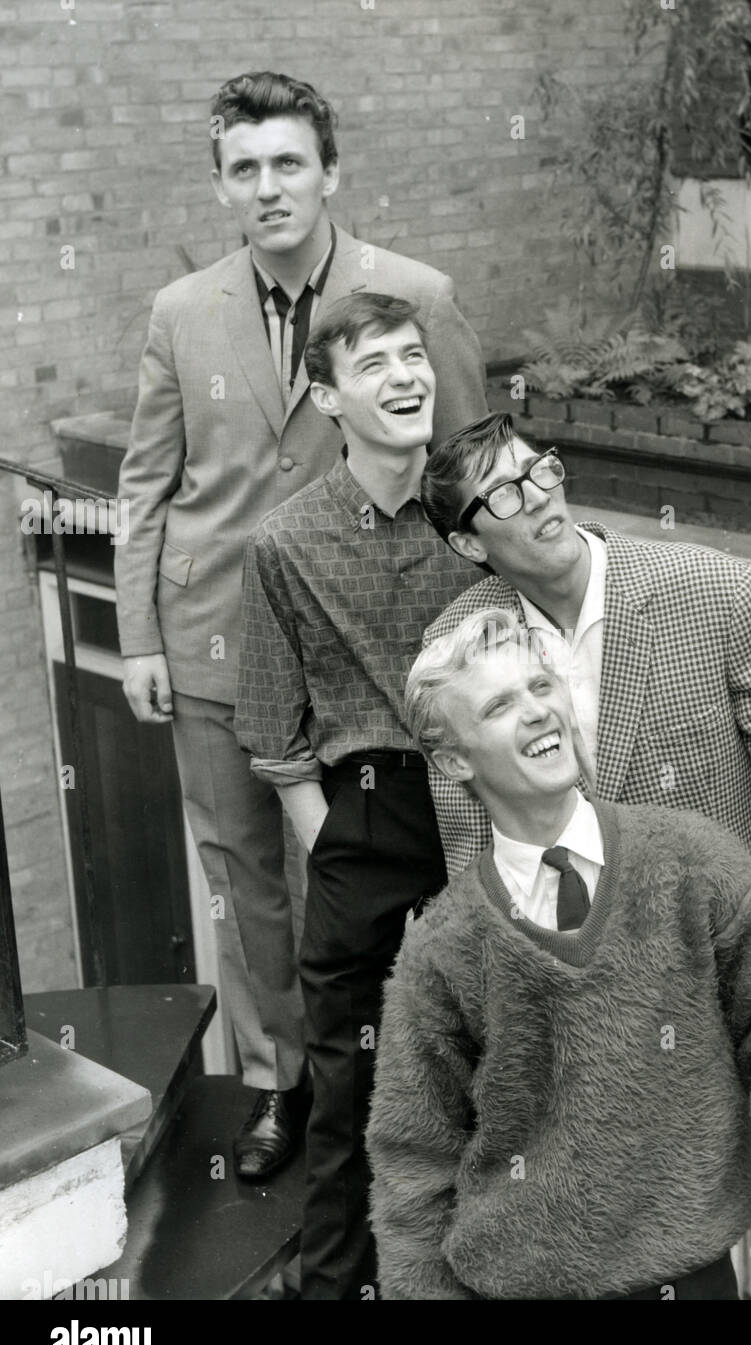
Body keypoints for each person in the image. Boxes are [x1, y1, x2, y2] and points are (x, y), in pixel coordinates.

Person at [114, 71, 486, 1183]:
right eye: (245, 169)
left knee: (398, 882)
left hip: (374, 661)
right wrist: (138, 635)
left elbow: (471, 468)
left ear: (332, 172)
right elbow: (146, 483)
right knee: (248, 877)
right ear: (221, 185)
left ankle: (404, 1088)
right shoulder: (181, 313)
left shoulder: (416, 291)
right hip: (213, 642)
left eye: (289, 164)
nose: (269, 187)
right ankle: (289, 1082)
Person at [366, 608, 751, 1300]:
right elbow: (413, 1169)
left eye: (543, 686)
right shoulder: (438, 950)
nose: (538, 713)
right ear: (453, 760)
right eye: (501, 705)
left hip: (691, 1282)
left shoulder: (697, 861)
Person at [418, 412, 751, 959]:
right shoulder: (460, 650)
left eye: (539, 471)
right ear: (468, 544)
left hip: (728, 953)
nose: (538, 496)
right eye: (504, 495)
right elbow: (475, 846)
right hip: (576, 976)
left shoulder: (717, 592)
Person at [234, 291, 479, 1300]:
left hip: (484, 820)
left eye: (413, 356)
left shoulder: (476, 515)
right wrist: (335, 838)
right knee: (346, 1100)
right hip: (362, 821)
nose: (406, 377)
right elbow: (271, 729)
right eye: (373, 363)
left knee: (480, 1084)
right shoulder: (284, 543)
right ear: (326, 396)